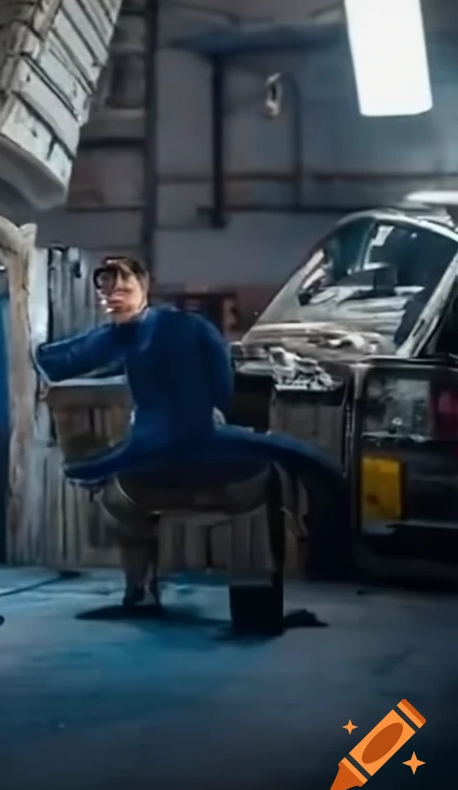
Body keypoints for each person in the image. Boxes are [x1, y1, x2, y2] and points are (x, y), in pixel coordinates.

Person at [34, 256, 345, 603]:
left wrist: (31, 338)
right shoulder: (194, 327)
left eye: (120, 290)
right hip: (212, 460)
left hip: (150, 470)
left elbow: (56, 363)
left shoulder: (119, 335)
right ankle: (261, 577)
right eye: (108, 293)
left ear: (143, 286)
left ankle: (139, 585)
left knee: (113, 490)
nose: (113, 299)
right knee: (285, 466)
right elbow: (222, 388)